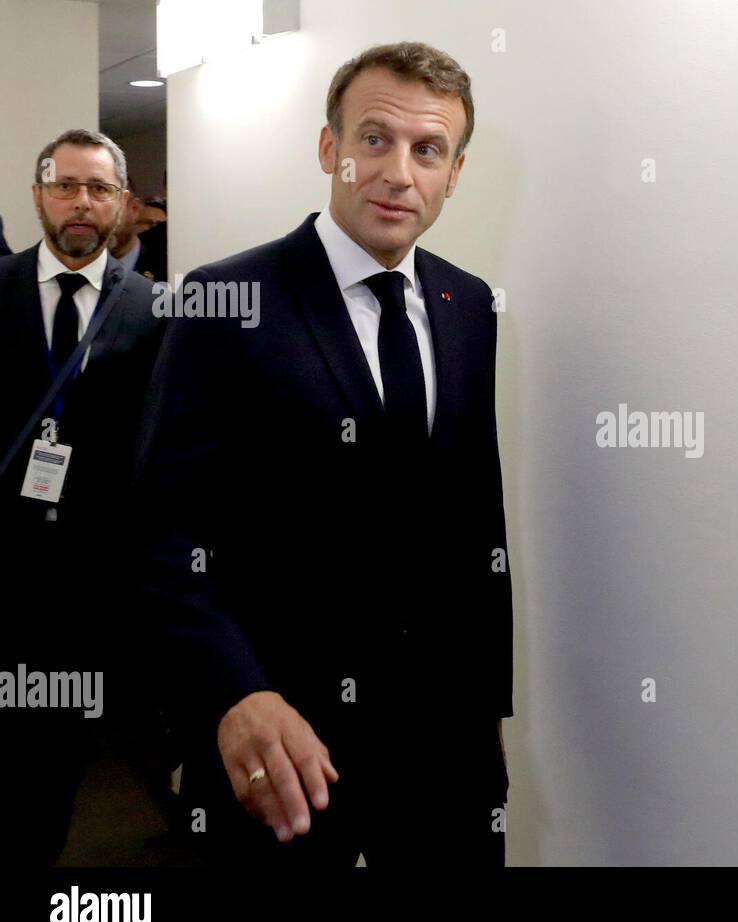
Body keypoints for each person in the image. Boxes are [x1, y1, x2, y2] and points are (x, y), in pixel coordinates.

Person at [132, 41, 514, 868]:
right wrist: (235, 693)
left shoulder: (468, 305)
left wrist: (485, 715)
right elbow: (165, 536)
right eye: (374, 140)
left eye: (428, 150)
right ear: (329, 150)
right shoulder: (225, 301)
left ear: (454, 173)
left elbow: (475, 518)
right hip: (289, 755)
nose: (398, 173)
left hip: (443, 761)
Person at [0, 129, 168, 864]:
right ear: (37, 195)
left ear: (123, 205)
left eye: (98, 189)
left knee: (53, 775)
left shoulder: (157, 308)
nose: (80, 202)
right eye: (64, 185)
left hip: (94, 584)